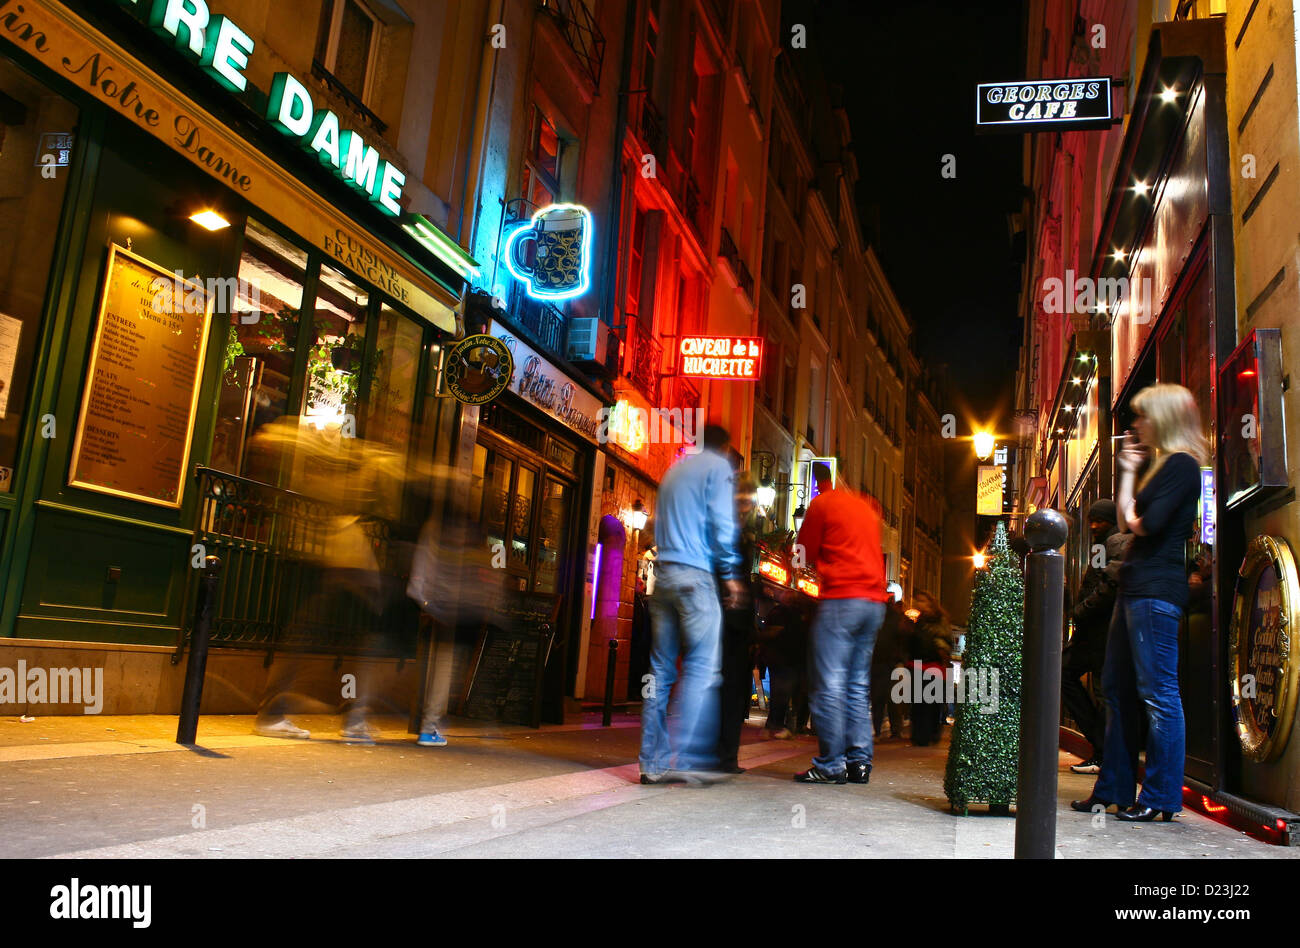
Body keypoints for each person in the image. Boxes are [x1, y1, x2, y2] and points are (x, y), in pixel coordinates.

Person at [1072, 384, 1206, 822]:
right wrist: (1129, 472)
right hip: (1136, 589)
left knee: (1158, 694)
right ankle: (1111, 788)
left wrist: (1131, 507)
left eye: (1143, 417)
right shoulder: (1161, 466)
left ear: (1163, 420)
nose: (1135, 425)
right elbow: (1133, 517)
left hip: (1154, 591)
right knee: (1117, 689)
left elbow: (1142, 525)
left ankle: (1161, 797)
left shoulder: (1182, 466)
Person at [639, 425, 746, 784]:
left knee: (659, 671)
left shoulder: (673, 470)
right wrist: (730, 573)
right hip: (695, 576)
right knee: (703, 667)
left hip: (663, 575)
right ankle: (689, 759)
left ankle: (650, 763)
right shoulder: (717, 468)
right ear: (725, 447)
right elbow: (722, 522)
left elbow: (654, 524)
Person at [793, 463, 888, 784]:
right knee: (857, 685)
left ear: (820, 485)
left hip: (842, 598)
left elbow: (801, 553)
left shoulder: (822, 503)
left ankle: (831, 764)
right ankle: (859, 762)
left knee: (829, 682)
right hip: (874, 603)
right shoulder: (866, 507)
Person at [1062, 499, 1130, 774]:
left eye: (1098, 520)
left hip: (1099, 632)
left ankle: (1104, 751)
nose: (1093, 525)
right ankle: (1104, 751)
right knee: (1104, 691)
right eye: (1091, 519)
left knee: (1098, 689)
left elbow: (1108, 585)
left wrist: (1081, 610)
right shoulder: (1106, 544)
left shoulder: (1114, 543)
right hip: (1096, 632)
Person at [718, 474, 764, 773]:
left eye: (749, 498)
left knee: (733, 692)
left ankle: (725, 756)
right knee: (725, 690)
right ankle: (720, 755)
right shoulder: (725, 530)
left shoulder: (742, 532)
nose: (746, 504)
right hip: (723, 622)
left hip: (737, 625)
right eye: (742, 497)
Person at [907, 591, 952, 747]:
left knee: (931, 702)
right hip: (918, 666)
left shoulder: (939, 621)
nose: (920, 605)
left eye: (923, 601)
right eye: (918, 602)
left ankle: (930, 732)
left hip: (934, 666)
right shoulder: (918, 621)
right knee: (918, 702)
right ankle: (920, 735)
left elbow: (945, 642)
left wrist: (941, 649)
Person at [870, 598, 907, 741]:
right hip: (889, 663)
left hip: (878, 663)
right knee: (893, 700)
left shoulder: (875, 616)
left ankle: (879, 731)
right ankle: (895, 730)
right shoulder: (896, 618)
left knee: (878, 700)